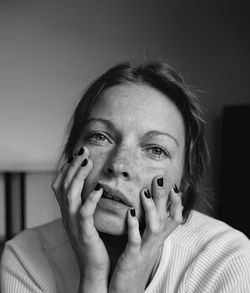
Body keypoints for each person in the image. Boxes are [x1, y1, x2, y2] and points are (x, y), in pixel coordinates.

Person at [1, 59, 250, 293]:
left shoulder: (227, 259)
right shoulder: (26, 257)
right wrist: (93, 276)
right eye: (100, 136)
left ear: (182, 183)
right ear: (71, 154)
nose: (119, 165)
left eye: (155, 149)